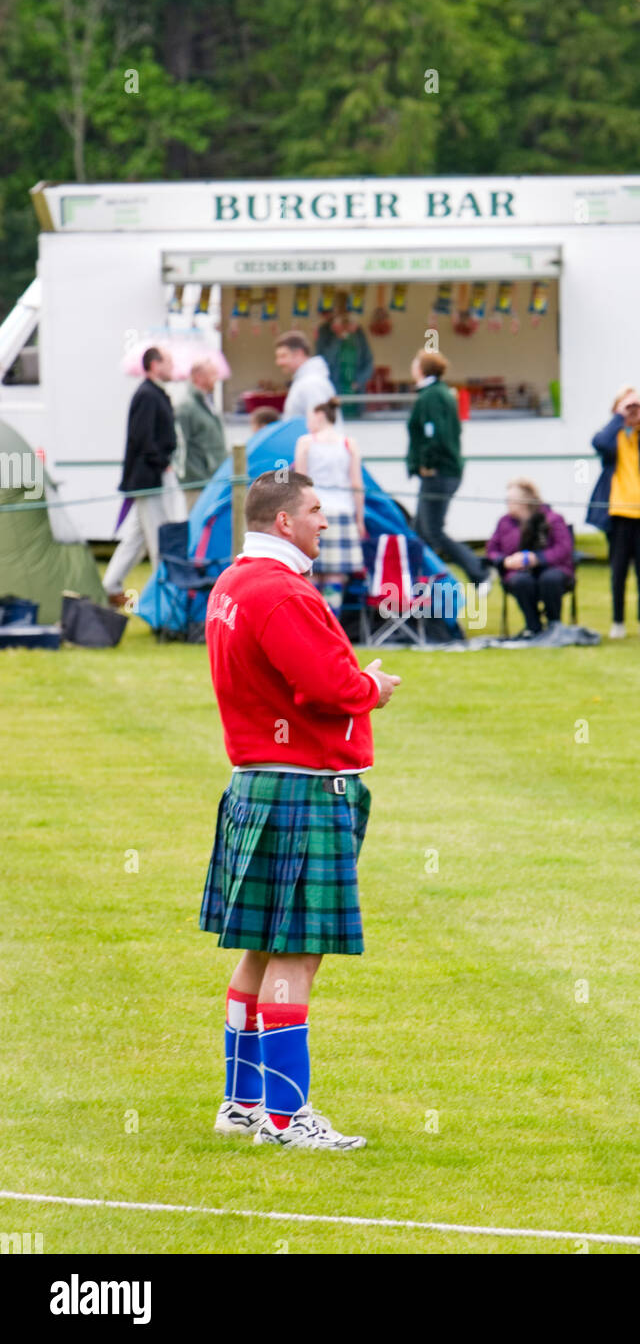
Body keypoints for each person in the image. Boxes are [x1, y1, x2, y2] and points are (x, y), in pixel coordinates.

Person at [201, 469, 401, 1150]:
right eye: (316, 511)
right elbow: (323, 685)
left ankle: (242, 1104)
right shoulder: (280, 592)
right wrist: (371, 686)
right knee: (296, 951)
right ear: (283, 521)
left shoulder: (232, 583)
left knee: (261, 947)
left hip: (260, 779)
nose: (325, 521)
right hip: (300, 784)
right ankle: (288, 1120)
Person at [587, 386, 640, 639]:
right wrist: (619, 417)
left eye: (636, 406)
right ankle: (618, 621)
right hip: (617, 513)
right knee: (618, 570)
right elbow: (599, 442)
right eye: (628, 407)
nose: (632, 411)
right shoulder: (612, 435)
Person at [102, 346, 185, 606]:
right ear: (154, 364)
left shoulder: (156, 393)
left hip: (152, 475)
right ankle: (165, 596)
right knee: (157, 537)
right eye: (169, 361)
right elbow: (142, 435)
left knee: (136, 537)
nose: (173, 367)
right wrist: (161, 462)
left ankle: (110, 584)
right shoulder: (147, 395)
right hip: (148, 478)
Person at [406, 348, 487, 588]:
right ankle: (423, 586)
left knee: (433, 531)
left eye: (414, 364)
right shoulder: (440, 393)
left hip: (439, 472)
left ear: (421, 369)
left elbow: (435, 435)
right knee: (420, 531)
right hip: (444, 471)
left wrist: (427, 464)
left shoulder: (431, 396)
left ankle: (478, 573)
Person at [293, 398, 366, 610]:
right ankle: (331, 622)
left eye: (309, 418)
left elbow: (301, 482)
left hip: (314, 511)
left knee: (310, 570)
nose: (307, 424)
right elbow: (356, 484)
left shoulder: (306, 442)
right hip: (343, 512)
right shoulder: (348, 443)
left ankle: (312, 620)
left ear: (320, 415)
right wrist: (359, 519)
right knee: (336, 573)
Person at [486, 479, 574, 636]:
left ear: (524, 501)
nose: (507, 503)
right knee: (521, 581)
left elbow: (564, 548)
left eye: (510, 499)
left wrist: (537, 558)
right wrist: (505, 561)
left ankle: (555, 626)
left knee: (549, 579)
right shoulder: (504, 522)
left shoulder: (552, 519)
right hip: (519, 572)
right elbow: (492, 549)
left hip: (552, 568)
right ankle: (533, 627)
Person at [173, 360, 227, 511]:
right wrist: (188, 477)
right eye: (212, 375)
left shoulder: (207, 403)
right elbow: (180, 445)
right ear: (198, 377)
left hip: (212, 479)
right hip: (197, 481)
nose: (217, 379)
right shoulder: (186, 407)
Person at [316, 295, 374, 400]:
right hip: (333, 391)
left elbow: (368, 361)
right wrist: (337, 337)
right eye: (338, 309)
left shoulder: (358, 332)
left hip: (356, 392)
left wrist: (359, 381)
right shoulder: (325, 331)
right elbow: (323, 361)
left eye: (345, 309)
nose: (342, 313)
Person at [274, 330, 335, 421]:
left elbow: (321, 423)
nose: (278, 362)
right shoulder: (305, 381)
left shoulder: (311, 383)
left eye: (283, 356)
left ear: (299, 353)